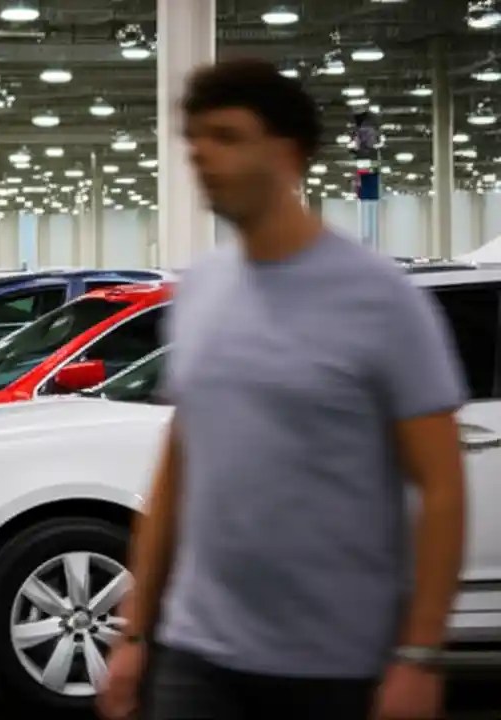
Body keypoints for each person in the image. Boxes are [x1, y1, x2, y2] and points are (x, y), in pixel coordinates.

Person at [97, 58, 468, 720]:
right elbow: (179, 467)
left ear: (289, 154)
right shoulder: (203, 290)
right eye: (196, 140)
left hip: (335, 665)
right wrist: (134, 631)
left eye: (228, 137)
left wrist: (419, 654)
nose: (204, 156)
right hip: (197, 654)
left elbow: (442, 488)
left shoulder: (379, 299)